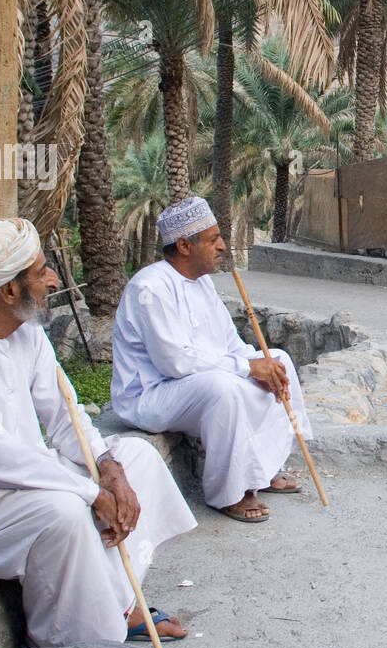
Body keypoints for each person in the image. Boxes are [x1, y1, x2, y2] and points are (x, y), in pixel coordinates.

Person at [0, 218, 197, 647]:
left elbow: (65, 415)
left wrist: (108, 468)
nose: (52, 279)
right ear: (9, 291)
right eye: (41, 271)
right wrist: (91, 493)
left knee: (136, 458)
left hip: (11, 483)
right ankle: (73, 637)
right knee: (64, 511)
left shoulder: (25, 333)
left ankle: (117, 601)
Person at [111, 197, 311, 523]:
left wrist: (261, 363)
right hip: (152, 394)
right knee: (224, 389)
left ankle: (262, 470)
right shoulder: (149, 288)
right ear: (184, 246)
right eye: (213, 239)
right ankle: (227, 494)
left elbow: (230, 343)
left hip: (195, 383)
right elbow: (173, 363)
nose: (222, 246)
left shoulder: (202, 283)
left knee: (280, 360)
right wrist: (247, 367)